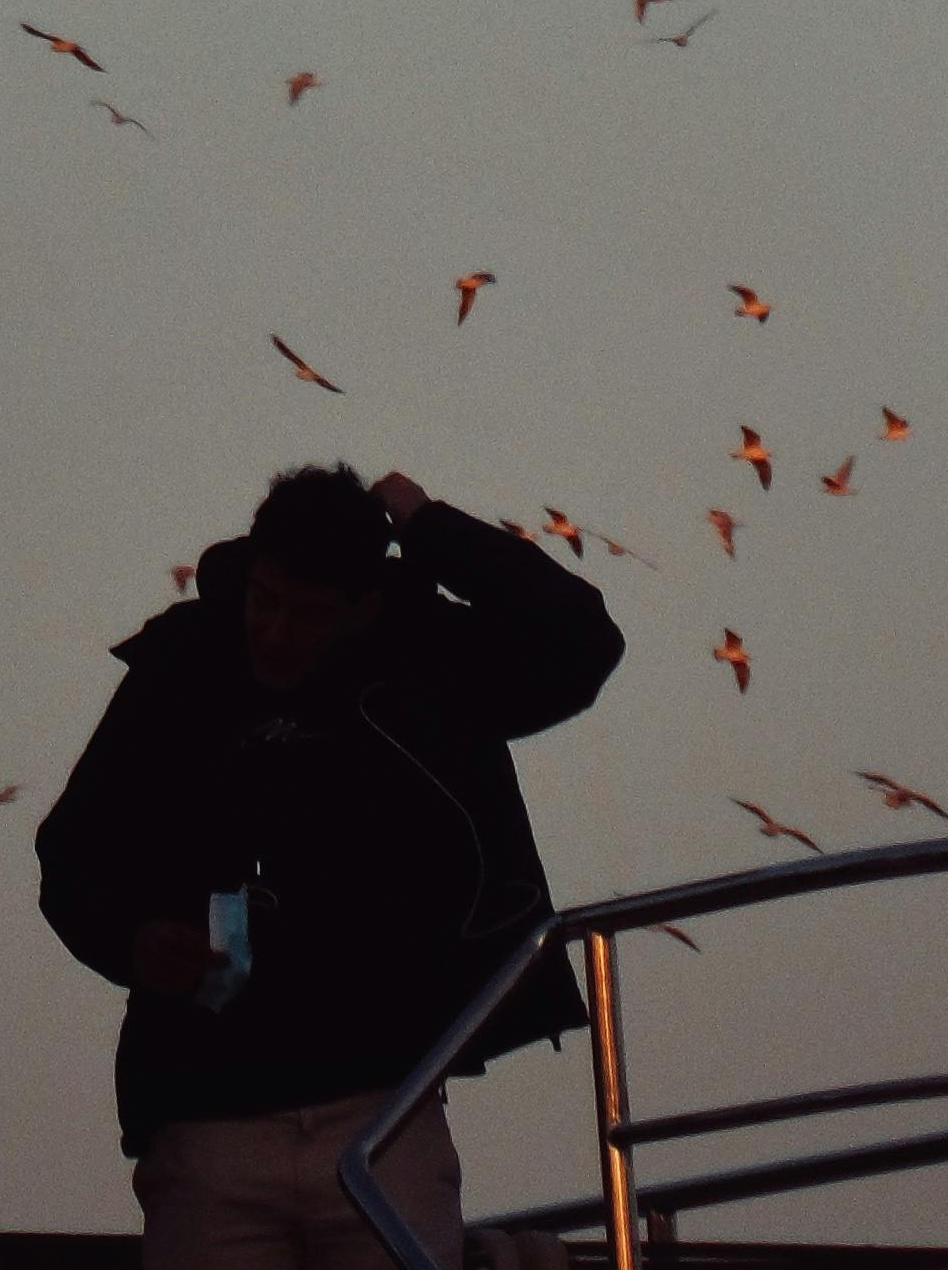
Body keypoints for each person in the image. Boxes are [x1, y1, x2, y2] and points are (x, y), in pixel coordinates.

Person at [36, 464, 622, 1270]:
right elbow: (74, 854)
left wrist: (427, 525)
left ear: (364, 608)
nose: (274, 632)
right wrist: (134, 941)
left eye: (307, 614)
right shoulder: (181, 665)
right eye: (264, 599)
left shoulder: (425, 667)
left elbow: (582, 638)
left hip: (384, 1114)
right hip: (207, 1121)